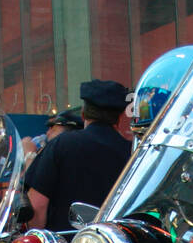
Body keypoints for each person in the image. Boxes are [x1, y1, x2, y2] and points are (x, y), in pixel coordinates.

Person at [25, 80, 132, 232]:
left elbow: (36, 210)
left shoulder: (60, 145)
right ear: (120, 117)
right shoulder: (132, 153)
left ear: (83, 114)